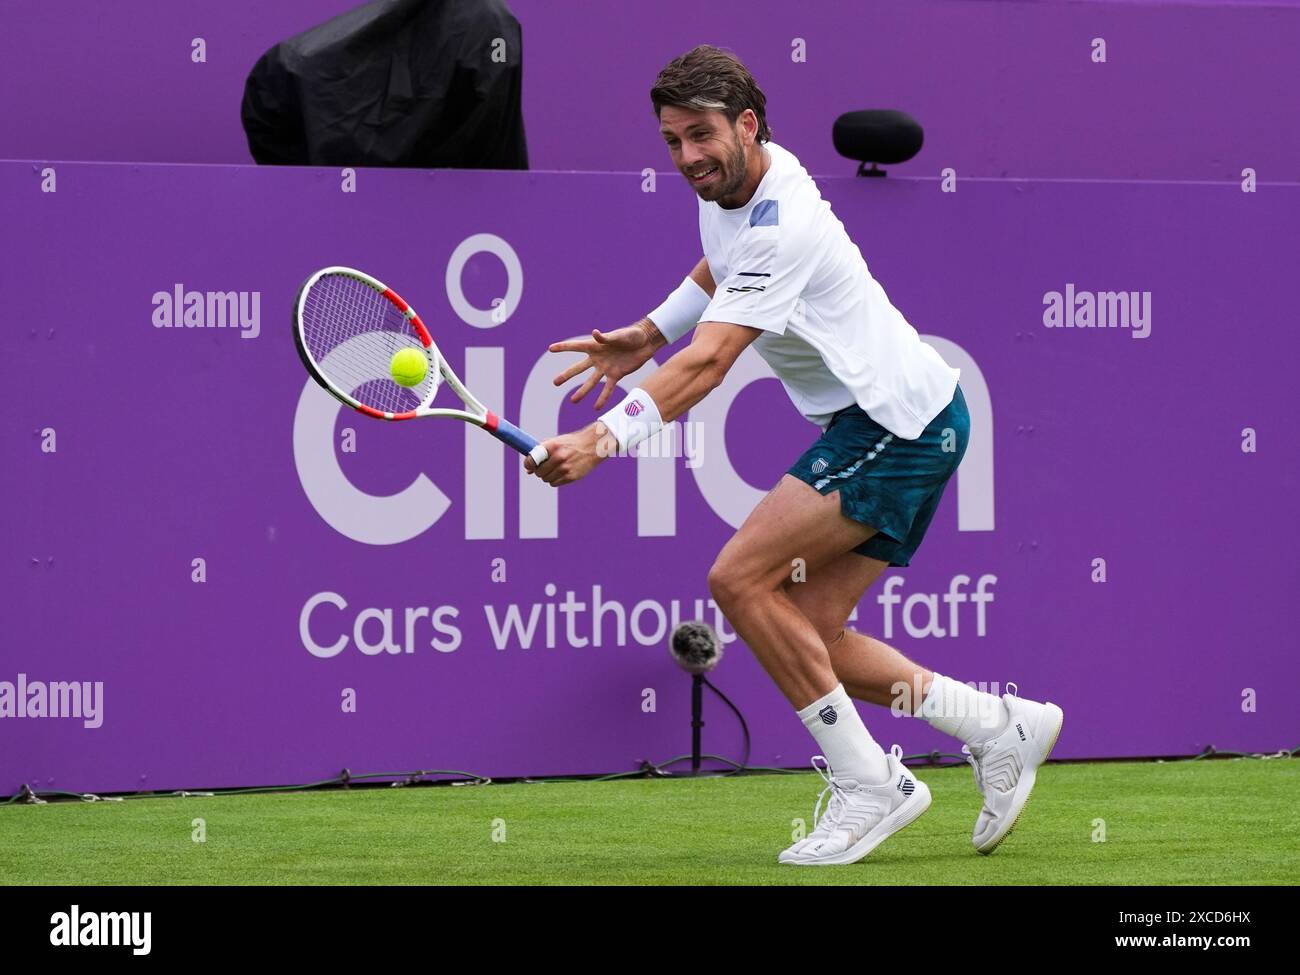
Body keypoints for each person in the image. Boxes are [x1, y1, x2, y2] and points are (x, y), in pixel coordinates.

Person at [524, 45, 1063, 866]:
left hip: (894, 424)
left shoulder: (786, 219)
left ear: (747, 124)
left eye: (700, 136)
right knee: (809, 630)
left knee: (737, 579)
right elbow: (718, 261)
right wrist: (647, 330)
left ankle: (871, 784)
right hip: (916, 417)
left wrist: (600, 442)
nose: (687, 158)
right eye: (671, 141)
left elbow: (709, 363)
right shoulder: (743, 180)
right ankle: (996, 726)